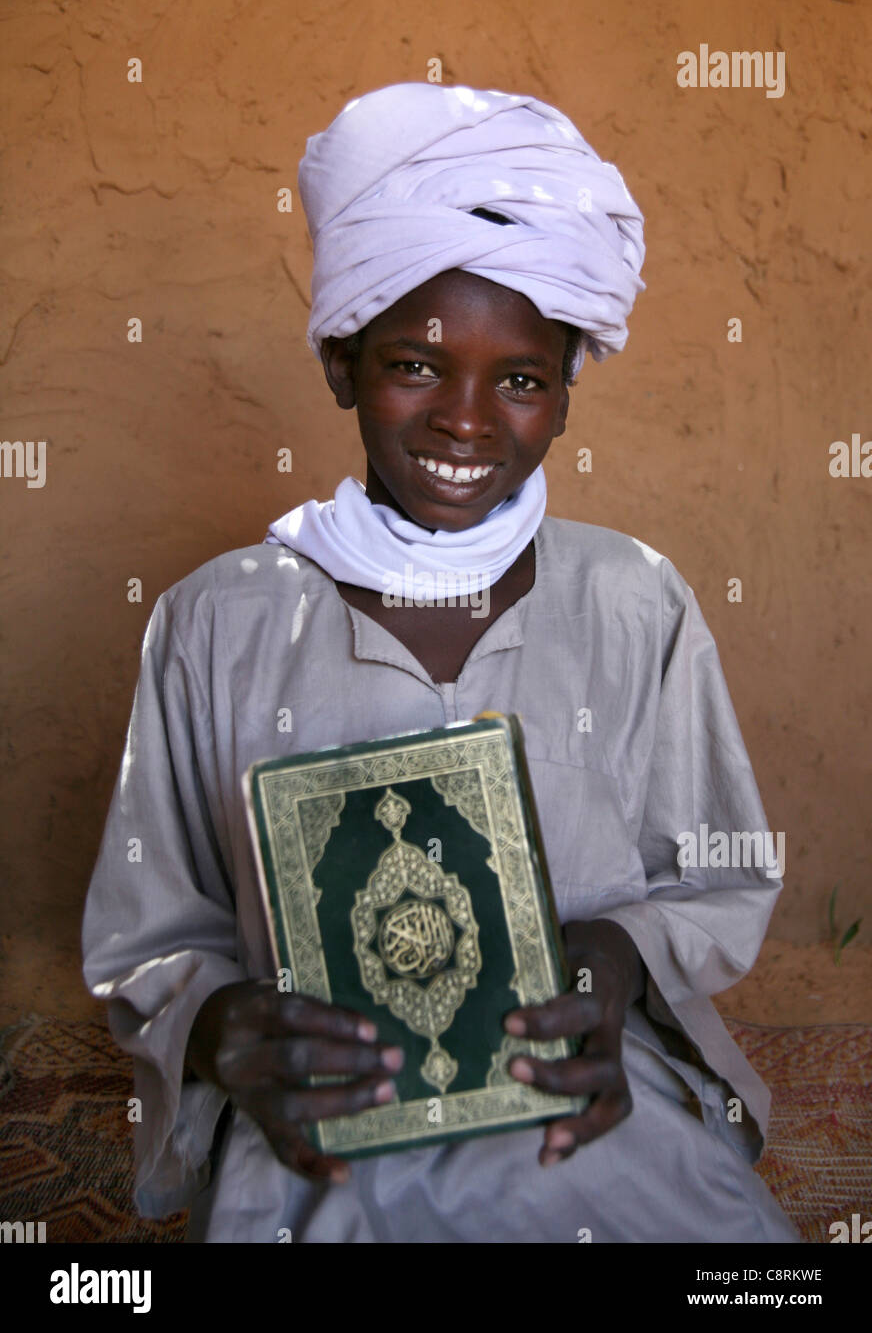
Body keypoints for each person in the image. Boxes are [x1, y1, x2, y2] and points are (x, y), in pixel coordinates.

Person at [82, 83, 800, 1243]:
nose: (465, 421)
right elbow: (149, 935)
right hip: (327, 1130)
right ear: (339, 365)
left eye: (519, 378)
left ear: (563, 394)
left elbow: (712, 878)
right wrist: (224, 1032)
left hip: (586, 1103)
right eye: (414, 363)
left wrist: (612, 962)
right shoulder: (213, 622)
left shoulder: (633, 600)